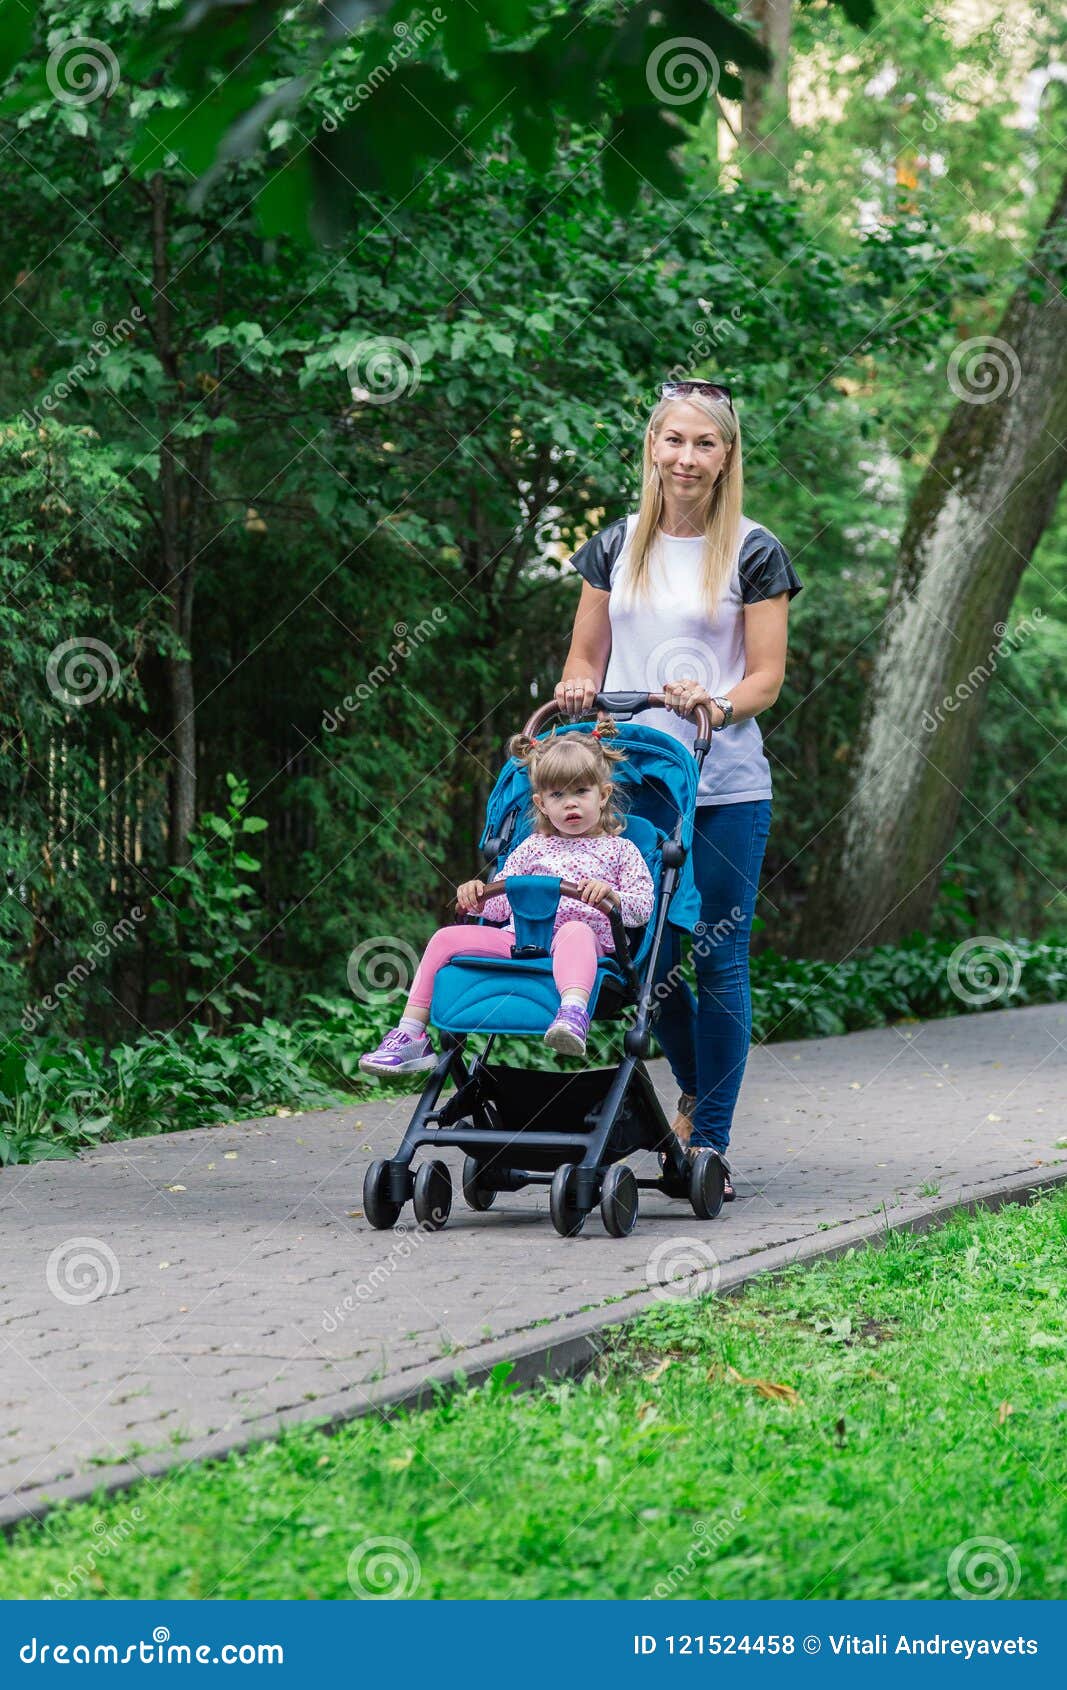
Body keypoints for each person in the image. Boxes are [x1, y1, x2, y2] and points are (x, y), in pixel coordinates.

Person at [555, 378, 803, 1200]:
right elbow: (582, 660)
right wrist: (581, 697)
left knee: (717, 959)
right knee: (642, 957)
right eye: (674, 441)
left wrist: (719, 703)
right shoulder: (614, 545)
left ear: (726, 456)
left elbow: (765, 677)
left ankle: (712, 1144)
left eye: (704, 444)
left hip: (724, 786)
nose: (686, 458)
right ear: (651, 449)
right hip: (633, 788)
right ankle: (693, 1097)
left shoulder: (754, 551)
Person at [359, 723, 654, 1075]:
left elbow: (642, 909)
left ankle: (572, 1013)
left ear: (603, 795)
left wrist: (613, 897)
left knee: (575, 929)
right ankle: (410, 1034)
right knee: (444, 938)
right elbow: (500, 906)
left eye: (581, 790)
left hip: (579, 944)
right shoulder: (531, 848)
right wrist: (478, 896)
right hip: (520, 939)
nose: (570, 802)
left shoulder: (620, 850)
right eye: (557, 795)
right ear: (541, 803)